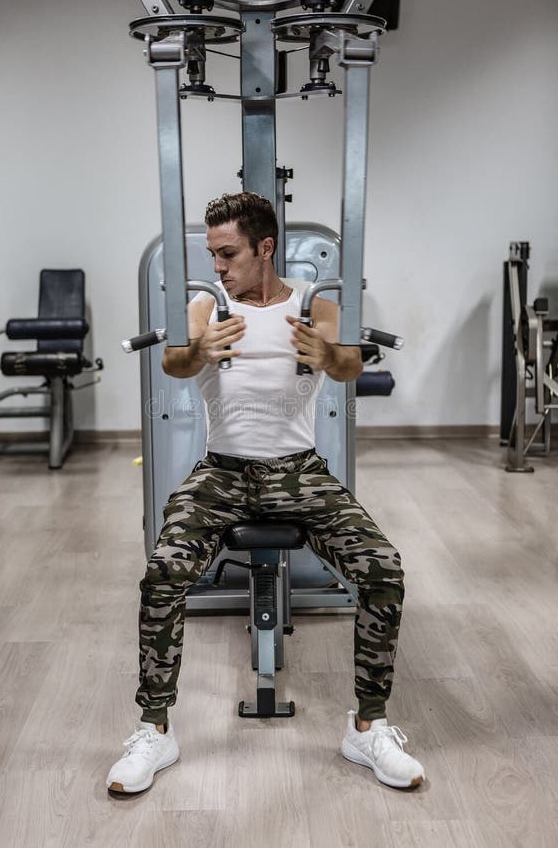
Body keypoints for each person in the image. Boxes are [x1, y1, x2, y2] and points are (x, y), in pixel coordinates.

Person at [106, 192, 424, 794]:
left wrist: (328, 354)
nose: (218, 265)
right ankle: (155, 729)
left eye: (228, 253)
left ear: (266, 247)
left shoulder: (311, 303)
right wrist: (198, 350)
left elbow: (351, 362)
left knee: (384, 568)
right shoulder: (209, 302)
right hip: (221, 472)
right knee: (162, 573)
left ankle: (368, 725)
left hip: (300, 471)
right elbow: (176, 360)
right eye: (212, 254)